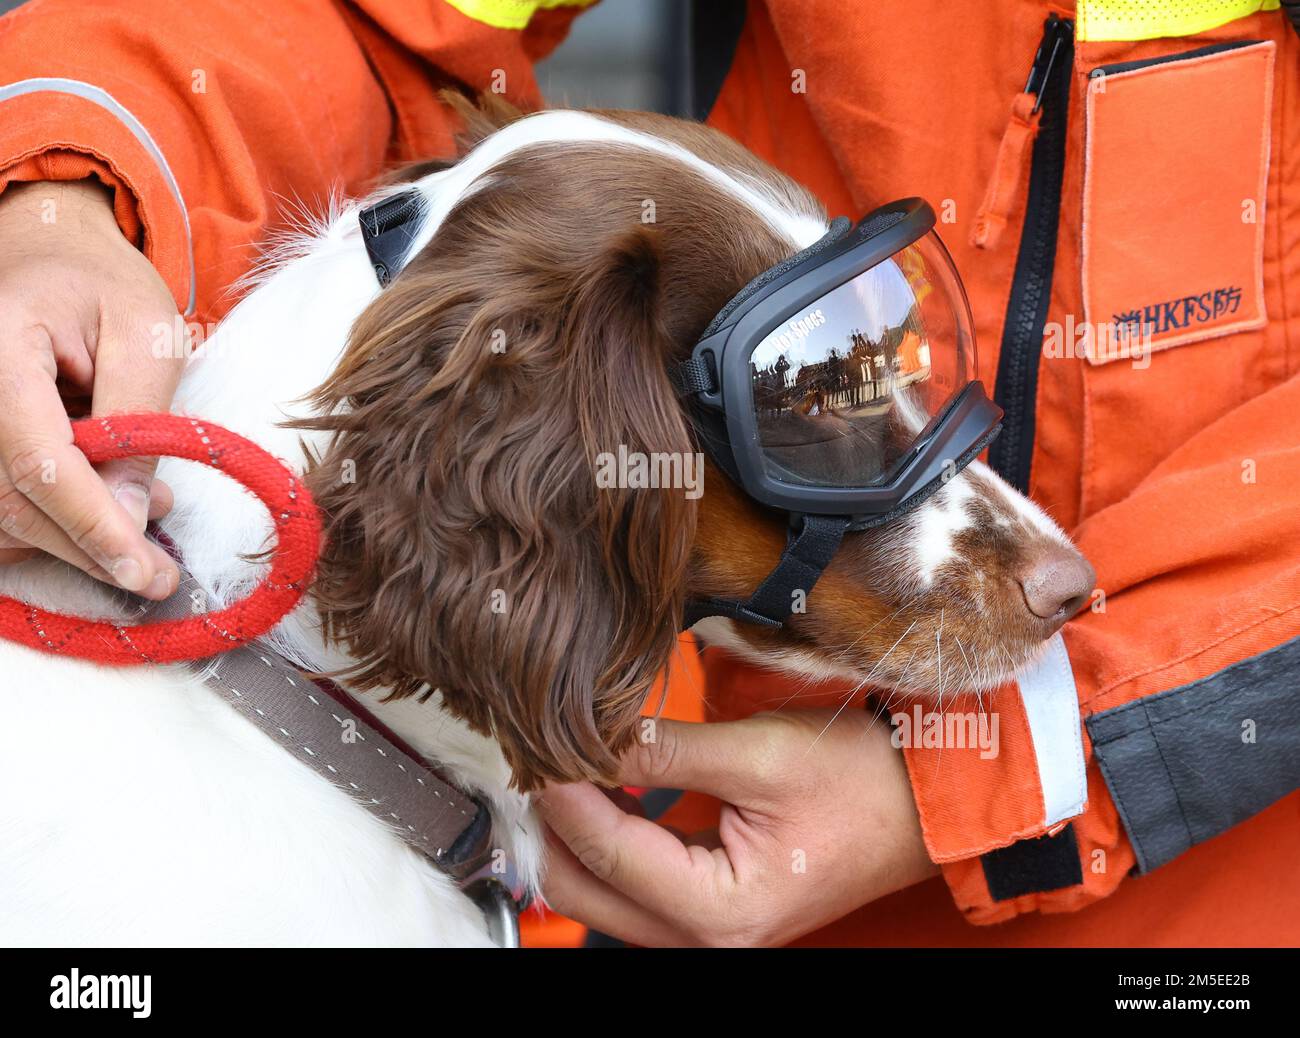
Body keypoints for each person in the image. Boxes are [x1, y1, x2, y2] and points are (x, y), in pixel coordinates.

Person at [0, 0, 1296, 947]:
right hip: (690, 846)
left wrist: (989, 770)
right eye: (804, 383)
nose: (1045, 559)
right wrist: (62, 195)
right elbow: (359, 12)